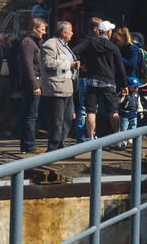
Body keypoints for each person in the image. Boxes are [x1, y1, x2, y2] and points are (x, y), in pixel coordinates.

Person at [75, 20, 127, 141]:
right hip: (108, 82)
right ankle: (118, 139)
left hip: (92, 81)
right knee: (113, 111)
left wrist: (82, 65)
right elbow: (120, 67)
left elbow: (75, 51)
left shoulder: (90, 42)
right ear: (108, 32)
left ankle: (90, 137)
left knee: (91, 111)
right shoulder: (113, 47)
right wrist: (124, 85)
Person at [40, 21, 79, 151]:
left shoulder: (65, 46)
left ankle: (61, 147)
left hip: (67, 88)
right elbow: (48, 63)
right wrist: (70, 64)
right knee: (57, 121)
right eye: (71, 31)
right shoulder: (50, 45)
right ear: (64, 33)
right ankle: (52, 149)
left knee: (66, 120)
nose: (72, 33)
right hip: (56, 89)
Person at [17, 17, 47, 154]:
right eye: (42, 29)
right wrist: (35, 85)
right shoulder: (28, 43)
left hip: (34, 82)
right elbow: (28, 65)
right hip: (32, 84)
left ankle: (27, 145)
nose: (44, 32)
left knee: (29, 114)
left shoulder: (34, 42)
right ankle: (29, 145)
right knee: (30, 115)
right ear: (34, 29)